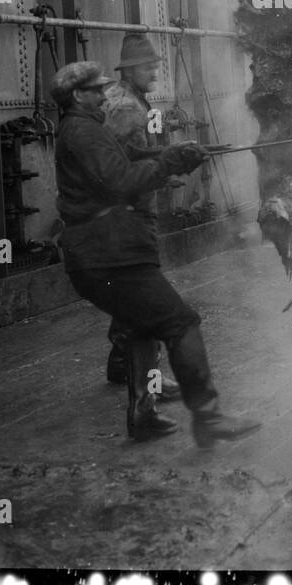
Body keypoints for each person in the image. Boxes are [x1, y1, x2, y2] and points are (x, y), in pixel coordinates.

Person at [51, 60, 261, 447]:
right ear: (78, 95)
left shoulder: (85, 128)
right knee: (181, 322)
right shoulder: (82, 132)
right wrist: (167, 163)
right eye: (97, 89)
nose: (104, 94)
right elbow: (119, 183)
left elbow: (123, 162)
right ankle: (208, 417)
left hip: (104, 252)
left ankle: (143, 415)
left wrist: (172, 153)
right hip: (109, 254)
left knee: (142, 326)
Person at [101, 33, 184, 400]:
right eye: (149, 66)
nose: (154, 72)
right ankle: (148, 381)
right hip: (129, 212)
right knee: (146, 294)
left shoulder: (123, 99)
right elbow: (130, 164)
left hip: (116, 211)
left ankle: (120, 362)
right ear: (132, 69)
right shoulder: (129, 110)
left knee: (131, 289)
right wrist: (168, 169)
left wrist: (165, 163)